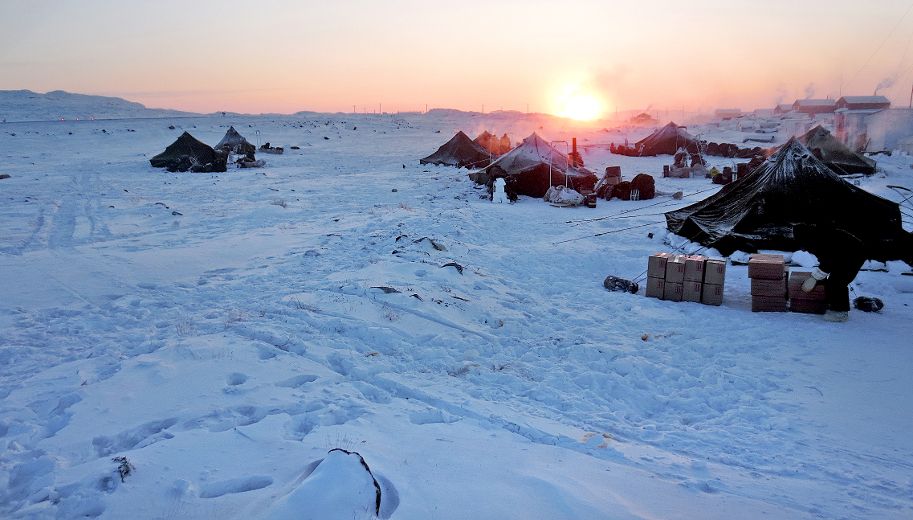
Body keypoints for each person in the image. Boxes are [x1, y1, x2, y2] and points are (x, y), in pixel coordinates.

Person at [794, 224, 913, 322]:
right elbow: (825, 258)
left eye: (802, 246)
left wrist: (815, 277)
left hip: (854, 256)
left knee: (837, 281)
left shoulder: (817, 240)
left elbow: (828, 260)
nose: (803, 249)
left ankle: (840, 312)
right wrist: (818, 277)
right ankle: (831, 302)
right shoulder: (815, 237)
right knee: (833, 279)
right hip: (844, 255)